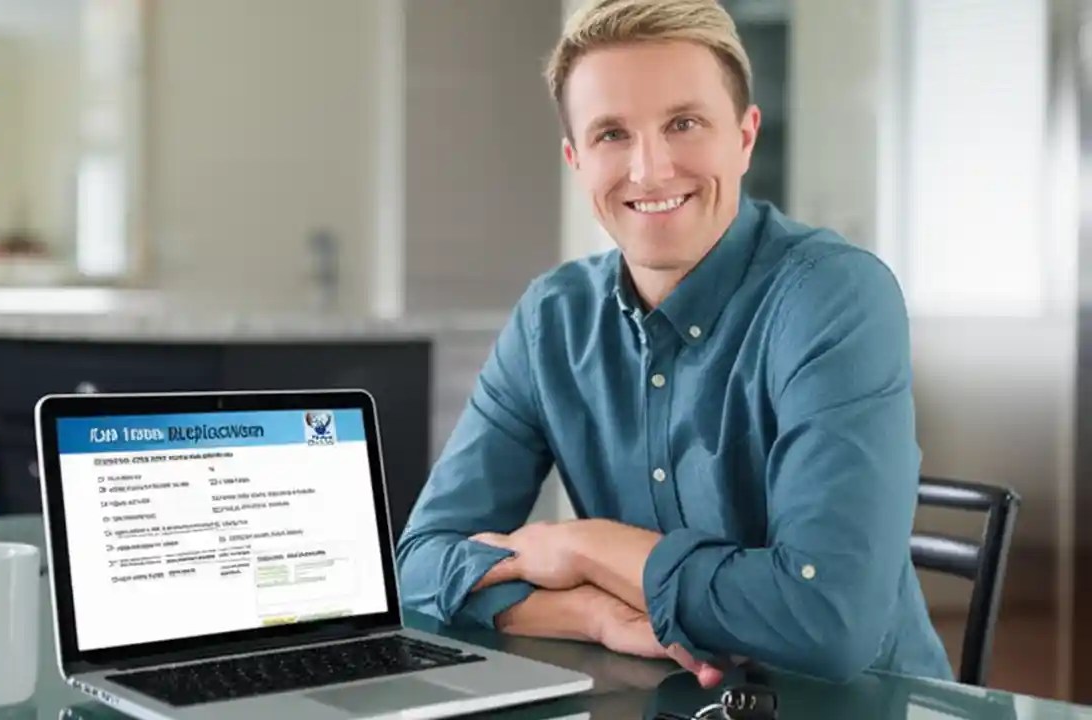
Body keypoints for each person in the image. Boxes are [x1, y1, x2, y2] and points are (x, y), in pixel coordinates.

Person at [395, 0, 953, 687]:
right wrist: (591, 615)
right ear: (576, 160)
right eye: (611, 135)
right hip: (660, 698)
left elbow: (827, 621)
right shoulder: (552, 319)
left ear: (745, 137)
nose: (650, 170)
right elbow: (419, 563)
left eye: (683, 124)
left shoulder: (834, 297)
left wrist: (586, 545)